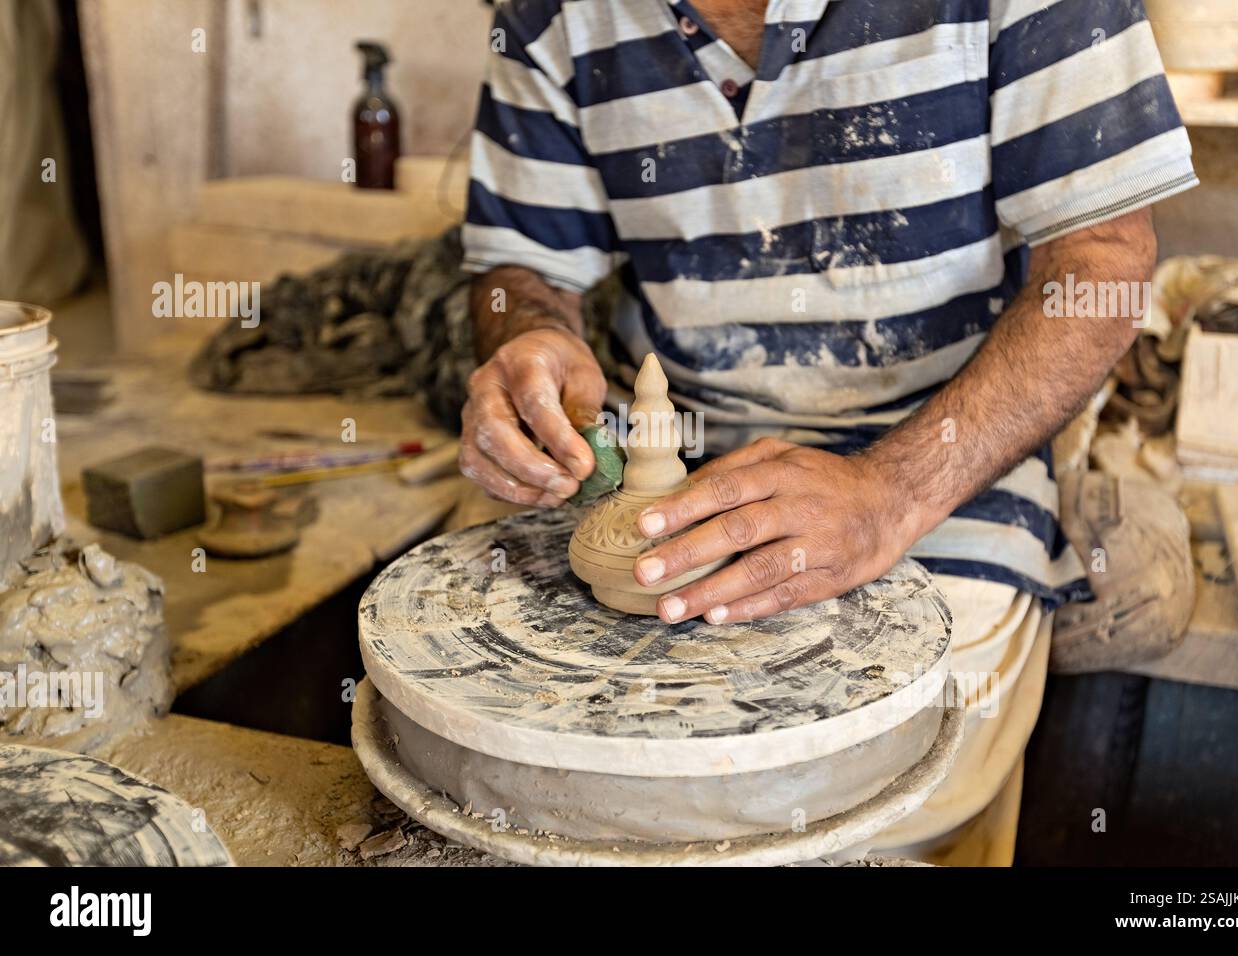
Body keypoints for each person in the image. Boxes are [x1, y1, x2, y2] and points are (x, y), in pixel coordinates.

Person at [455, 0, 1197, 864]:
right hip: (671, 448)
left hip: (944, 461)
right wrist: (529, 340)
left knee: (845, 804)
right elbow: (522, 264)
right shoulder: (549, 16)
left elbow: (1104, 263)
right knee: (509, 766)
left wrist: (891, 494)